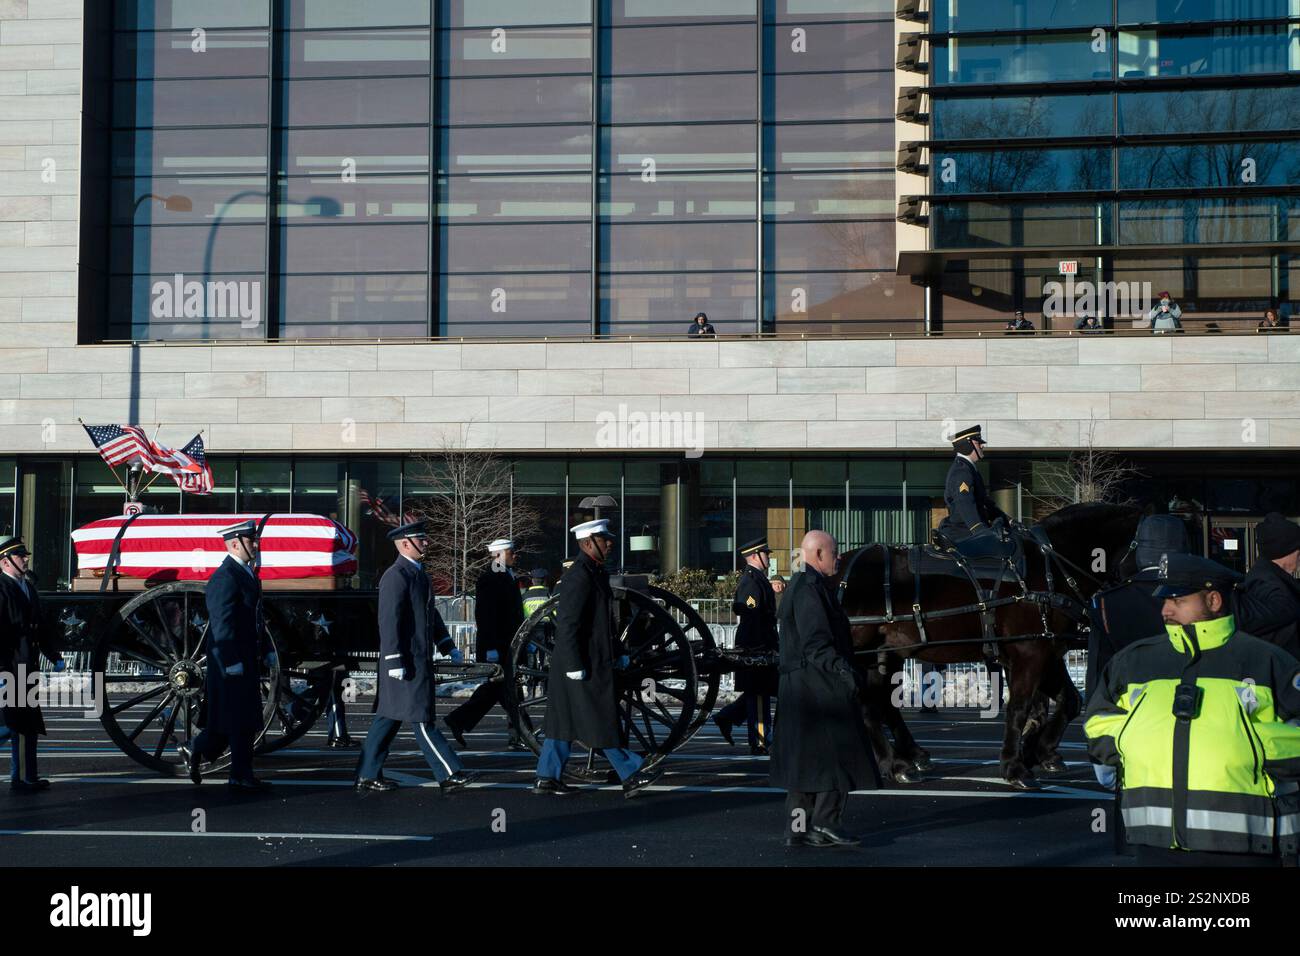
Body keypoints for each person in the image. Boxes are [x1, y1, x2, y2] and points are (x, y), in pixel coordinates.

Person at [1084, 553, 1300, 866]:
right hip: (1153, 846)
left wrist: (1250, 746)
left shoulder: (1266, 661)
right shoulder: (1133, 661)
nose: (1165, 610)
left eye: (1179, 600)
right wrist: (1133, 742)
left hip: (1245, 849)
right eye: (1164, 600)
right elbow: (1097, 722)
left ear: (1214, 601)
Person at [533, 518, 659, 798]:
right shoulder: (579, 576)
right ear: (589, 543)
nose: (609, 542)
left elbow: (603, 623)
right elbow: (567, 624)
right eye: (604, 539)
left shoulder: (593, 572)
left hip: (584, 660)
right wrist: (574, 665)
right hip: (581, 662)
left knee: (562, 722)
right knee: (599, 719)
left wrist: (619, 653)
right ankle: (630, 773)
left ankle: (547, 777)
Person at [771, 531, 876, 847]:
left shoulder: (803, 585)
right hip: (817, 685)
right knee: (839, 751)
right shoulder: (810, 589)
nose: (838, 558)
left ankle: (799, 828)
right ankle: (826, 822)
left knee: (804, 762)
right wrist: (844, 673)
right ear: (817, 554)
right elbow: (816, 641)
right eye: (834, 553)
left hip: (801, 685)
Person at [355, 520, 475, 793]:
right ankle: (449, 773)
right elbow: (389, 621)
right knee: (422, 718)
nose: (426, 542)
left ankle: (366, 774)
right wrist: (394, 661)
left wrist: (448, 646)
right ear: (405, 544)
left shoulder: (418, 574)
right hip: (404, 661)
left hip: (416, 659)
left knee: (388, 718)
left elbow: (430, 616)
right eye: (421, 539)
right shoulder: (396, 576)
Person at [1085, 514, 1190, 789]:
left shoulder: (1108, 604)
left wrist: (1102, 753)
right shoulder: (1209, 599)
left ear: (1139, 549)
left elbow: (1099, 679)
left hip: (1134, 734)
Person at [181, 520, 272, 791]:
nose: (256, 544)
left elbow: (255, 618)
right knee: (237, 720)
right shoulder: (225, 577)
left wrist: (265, 651)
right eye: (250, 540)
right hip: (230, 661)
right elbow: (222, 624)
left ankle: (201, 752)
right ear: (235, 543)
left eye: (254, 539)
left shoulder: (245, 574)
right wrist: (231, 661)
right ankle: (238, 773)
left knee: (239, 719)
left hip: (244, 658)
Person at [445, 538, 526, 751]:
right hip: (498, 646)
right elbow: (486, 616)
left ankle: (459, 720)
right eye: (511, 552)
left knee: (498, 691)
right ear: (498, 554)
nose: (515, 555)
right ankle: (520, 735)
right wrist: (490, 648)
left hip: (507, 644)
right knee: (507, 691)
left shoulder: (504, 575)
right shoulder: (490, 578)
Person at [0, 535, 65, 792]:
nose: (25, 558)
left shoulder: (27, 587)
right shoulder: (2, 588)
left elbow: (39, 627)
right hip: (10, 666)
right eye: (19, 556)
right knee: (11, 724)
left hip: (27, 665)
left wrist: (54, 656)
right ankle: (23, 778)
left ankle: (25, 778)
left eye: (24, 555)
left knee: (26, 725)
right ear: (5, 562)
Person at [714, 537, 779, 755]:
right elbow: (751, 614)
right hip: (755, 643)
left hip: (762, 641)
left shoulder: (758, 578)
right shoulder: (752, 581)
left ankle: (728, 716)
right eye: (765, 554)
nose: (769, 557)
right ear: (754, 556)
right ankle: (760, 740)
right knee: (760, 692)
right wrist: (762, 645)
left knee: (759, 689)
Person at [936, 424, 1011, 559]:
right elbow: (965, 503)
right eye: (978, 443)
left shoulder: (969, 469)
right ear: (967, 445)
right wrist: (979, 531)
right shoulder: (962, 471)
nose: (982, 446)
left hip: (967, 531)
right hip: (963, 532)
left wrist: (1009, 521)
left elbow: (986, 503)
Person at [1235, 512, 1300, 660]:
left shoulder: (1267, 578)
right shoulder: (1267, 583)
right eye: (1298, 553)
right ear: (1287, 551)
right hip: (1278, 669)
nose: (1299, 559)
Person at [324, 666, 356, 748]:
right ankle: (339, 735)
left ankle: (340, 734)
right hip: (335, 670)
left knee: (336, 704)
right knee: (336, 704)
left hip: (337, 670)